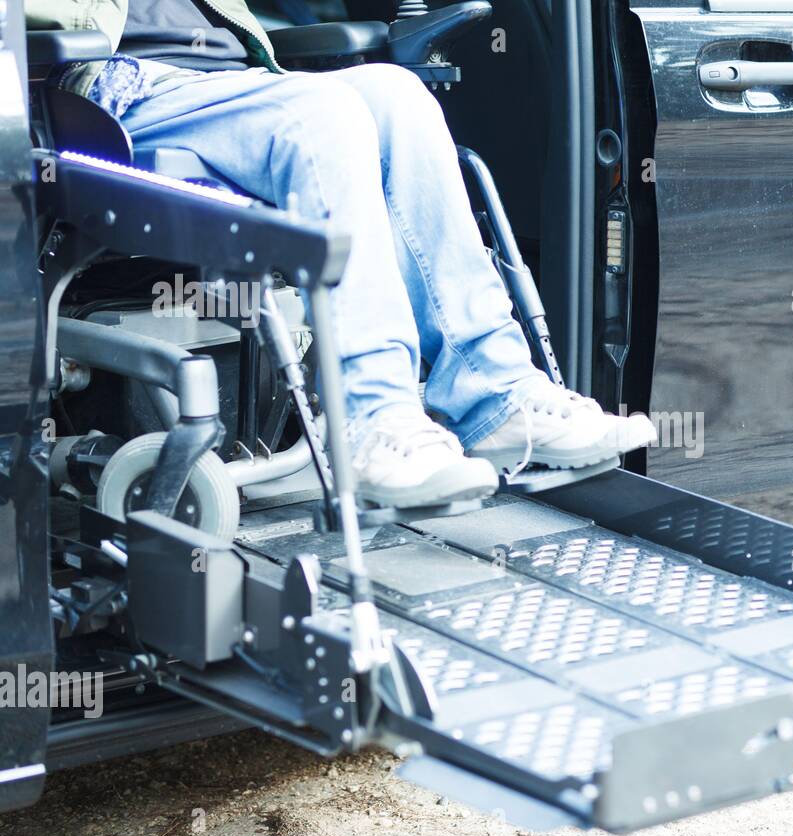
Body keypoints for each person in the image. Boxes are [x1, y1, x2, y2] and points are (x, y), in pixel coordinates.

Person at [29, 0, 657, 507]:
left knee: (398, 94)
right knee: (322, 112)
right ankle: (375, 419)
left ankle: (493, 393)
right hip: (108, 88)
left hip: (230, 82)